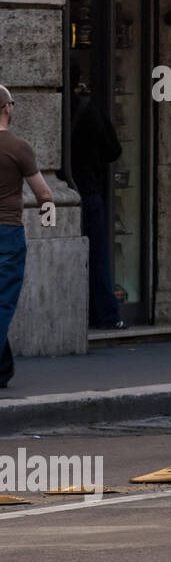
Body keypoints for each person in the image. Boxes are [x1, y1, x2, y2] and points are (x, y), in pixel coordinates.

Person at [0, 86, 55, 387]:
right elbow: (44, 194)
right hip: (8, 231)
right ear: (7, 108)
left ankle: (3, 370)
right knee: (3, 302)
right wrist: (48, 220)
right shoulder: (19, 147)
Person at [69, 64, 126, 329]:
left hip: (64, 189)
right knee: (98, 255)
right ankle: (105, 315)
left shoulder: (60, 109)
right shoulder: (90, 110)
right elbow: (113, 150)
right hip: (90, 188)